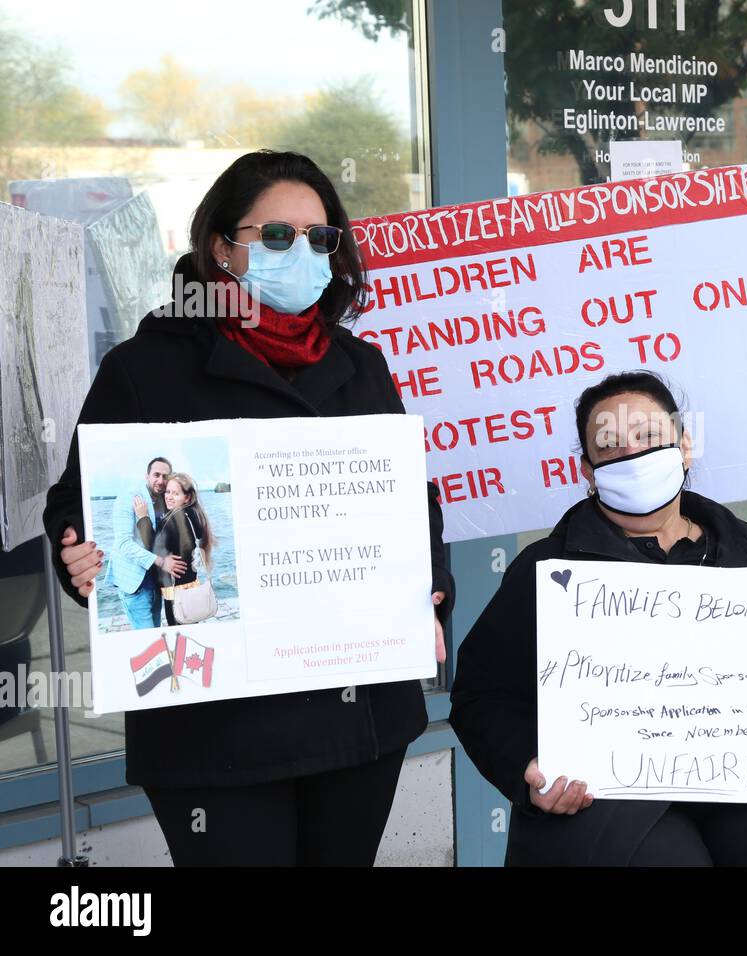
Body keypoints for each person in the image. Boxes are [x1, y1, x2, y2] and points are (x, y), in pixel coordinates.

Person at [45, 150, 454, 867]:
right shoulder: (145, 369)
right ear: (220, 249)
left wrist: (432, 591)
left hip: (357, 715)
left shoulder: (362, 366)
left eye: (320, 238)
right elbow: (78, 507)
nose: (301, 252)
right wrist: (78, 554)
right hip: (213, 725)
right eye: (275, 237)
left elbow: (411, 503)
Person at [449, 371, 747, 866]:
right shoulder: (547, 570)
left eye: (648, 438)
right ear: (588, 470)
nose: (633, 457)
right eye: (610, 445)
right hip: (608, 795)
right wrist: (528, 770)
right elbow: (482, 696)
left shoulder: (746, 549)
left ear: (685, 446)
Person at [107, 456, 180, 630]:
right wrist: (163, 562)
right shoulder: (129, 498)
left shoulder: (165, 500)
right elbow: (124, 544)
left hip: (157, 583)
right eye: (156, 475)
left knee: (156, 632)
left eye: (165, 476)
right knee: (148, 640)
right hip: (135, 584)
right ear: (147, 476)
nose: (160, 481)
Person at [137, 473, 213, 627]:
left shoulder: (178, 517)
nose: (169, 497)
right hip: (189, 586)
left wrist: (142, 517)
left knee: (179, 632)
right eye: (168, 492)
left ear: (187, 497)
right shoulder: (192, 514)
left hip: (176, 593)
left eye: (175, 493)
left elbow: (153, 548)